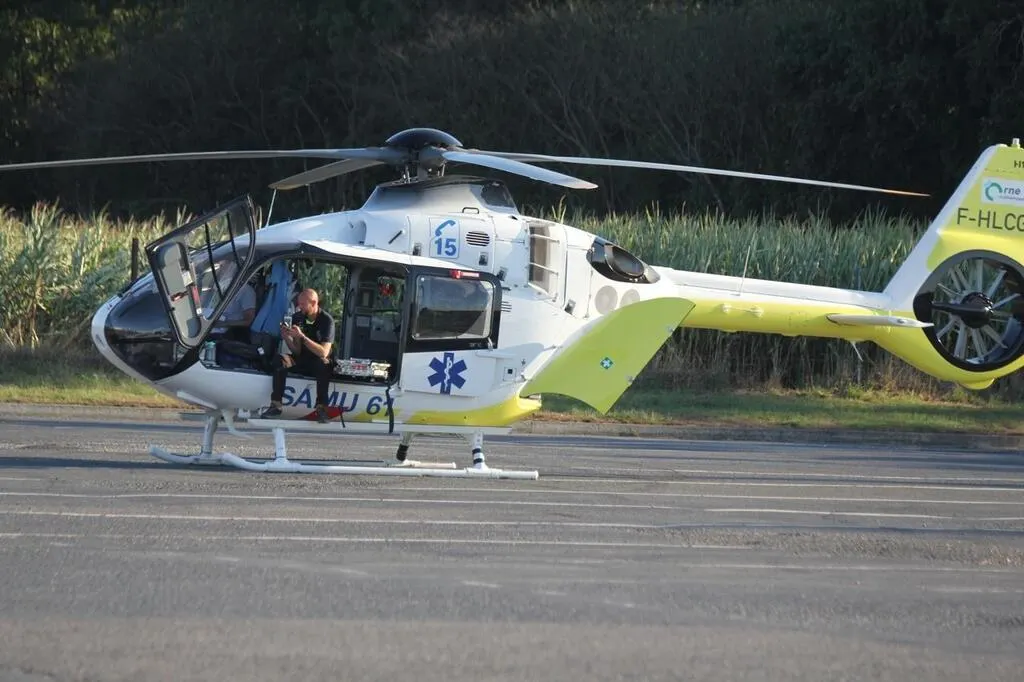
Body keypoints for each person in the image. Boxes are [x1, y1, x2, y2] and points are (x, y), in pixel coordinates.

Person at [261, 288, 335, 422]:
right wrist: (287, 337)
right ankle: (276, 405)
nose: (299, 307)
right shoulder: (298, 317)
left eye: (302, 304)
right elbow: (297, 351)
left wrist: (303, 337)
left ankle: (321, 408)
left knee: (323, 364)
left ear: (313, 303)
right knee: (280, 359)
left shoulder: (326, 321)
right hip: (302, 359)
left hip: (317, 361)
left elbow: (323, 352)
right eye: (298, 303)